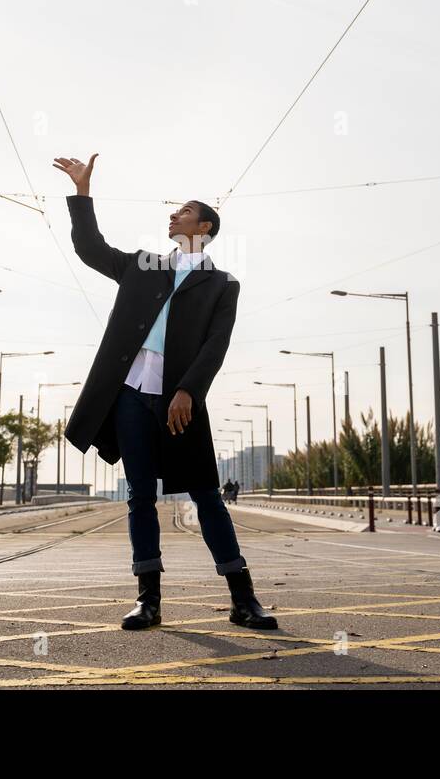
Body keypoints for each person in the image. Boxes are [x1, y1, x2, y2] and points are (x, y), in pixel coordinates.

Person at [53, 154, 277, 631]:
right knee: (139, 495)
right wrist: (82, 194)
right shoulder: (143, 266)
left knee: (206, 494)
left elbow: (216, 346)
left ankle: (243, 598)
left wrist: (188, 391)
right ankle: (148, 601)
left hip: (180, 400)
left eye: (183, 211)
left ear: (206, 226)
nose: (173, 216)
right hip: (130, 394)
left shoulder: (222, 284)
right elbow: (90, 248)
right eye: (173, 212)